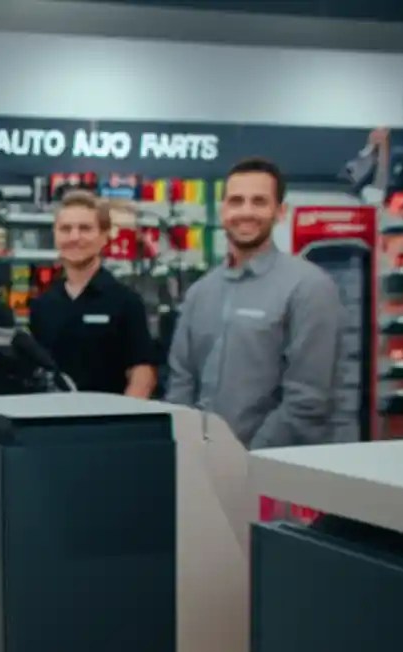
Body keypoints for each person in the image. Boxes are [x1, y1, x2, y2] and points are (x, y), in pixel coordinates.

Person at [165, 157, 343, 449]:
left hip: (272, 466)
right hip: (198, 462)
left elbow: (307, 400)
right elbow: (181, 383)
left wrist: (248, 460)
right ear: (223, 210)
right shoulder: (200, 292)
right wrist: (185, 449)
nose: (246, 212)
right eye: (236, 201)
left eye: (259, 201)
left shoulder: (309, 287)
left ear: (280, 211)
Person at [28, 190, 159, 397]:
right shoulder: (42, 305)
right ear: (55, 235)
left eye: (85, 228)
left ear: (104, 236)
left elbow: (142, 373)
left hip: (108, 416)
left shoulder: (126, 302)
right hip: (53, 415)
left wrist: (125, 414)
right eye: (65, 229)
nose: (74, 237)